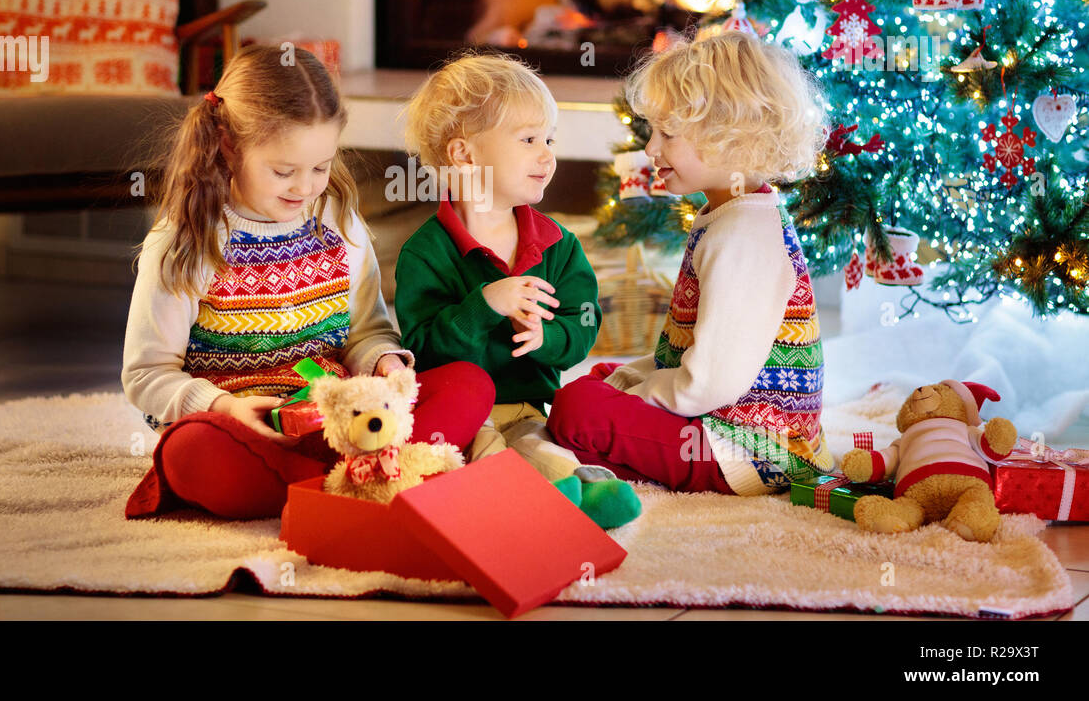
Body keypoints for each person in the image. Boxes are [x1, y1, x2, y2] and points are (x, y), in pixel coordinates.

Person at [123, 45, 493, 520]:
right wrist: (223, 406)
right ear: (228, 145)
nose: (305, 187)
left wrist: (383, 362)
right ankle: (370, 480)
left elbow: (367, 331)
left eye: (321, 167)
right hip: (244, 431)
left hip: (339, 421)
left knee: (469, 382)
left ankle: (343, 480)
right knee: (188, 454)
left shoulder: (337, 220)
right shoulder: (186, 241)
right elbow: (145, 375)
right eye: (284, 171)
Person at [547, 32, 836, 495]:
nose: (650, 150)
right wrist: (629, 382)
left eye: (667, 134)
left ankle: (594, 461)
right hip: (730, 429)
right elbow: (689, 356)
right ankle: (602, 449)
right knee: (605, 379)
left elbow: (711, 382)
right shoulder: (733, 212)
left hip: (748, 454)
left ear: (729, 135)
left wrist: (637, 396)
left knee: (576, 407)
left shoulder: (742, 237)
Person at [395, 51, 640, 528]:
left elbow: (584, 323)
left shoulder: (557, 245)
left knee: (540, 444)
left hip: (529, 406)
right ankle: (530, 500)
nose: (547, 155)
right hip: (464, 414)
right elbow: (419, 349)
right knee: (484, 452)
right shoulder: (425, 253)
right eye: (528, 139)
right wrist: (484, 305)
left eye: (548, 139)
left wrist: (546, 338)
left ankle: (575, 488)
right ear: (464, 154)